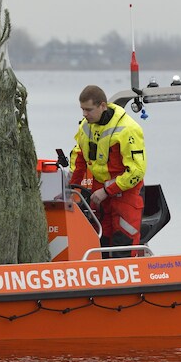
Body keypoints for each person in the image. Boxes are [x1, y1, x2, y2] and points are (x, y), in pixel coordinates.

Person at [70, 84, 147, 257]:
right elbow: (80, 158)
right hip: (99, 195)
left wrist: (107, 191)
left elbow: (136, 171)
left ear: (103, 106)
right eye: (82, 109)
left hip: (125, 194)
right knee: (100, 243)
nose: (84, 114)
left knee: (123, 244)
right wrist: (71, 188)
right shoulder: (85, 126)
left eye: (88, 110)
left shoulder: (128, 129)